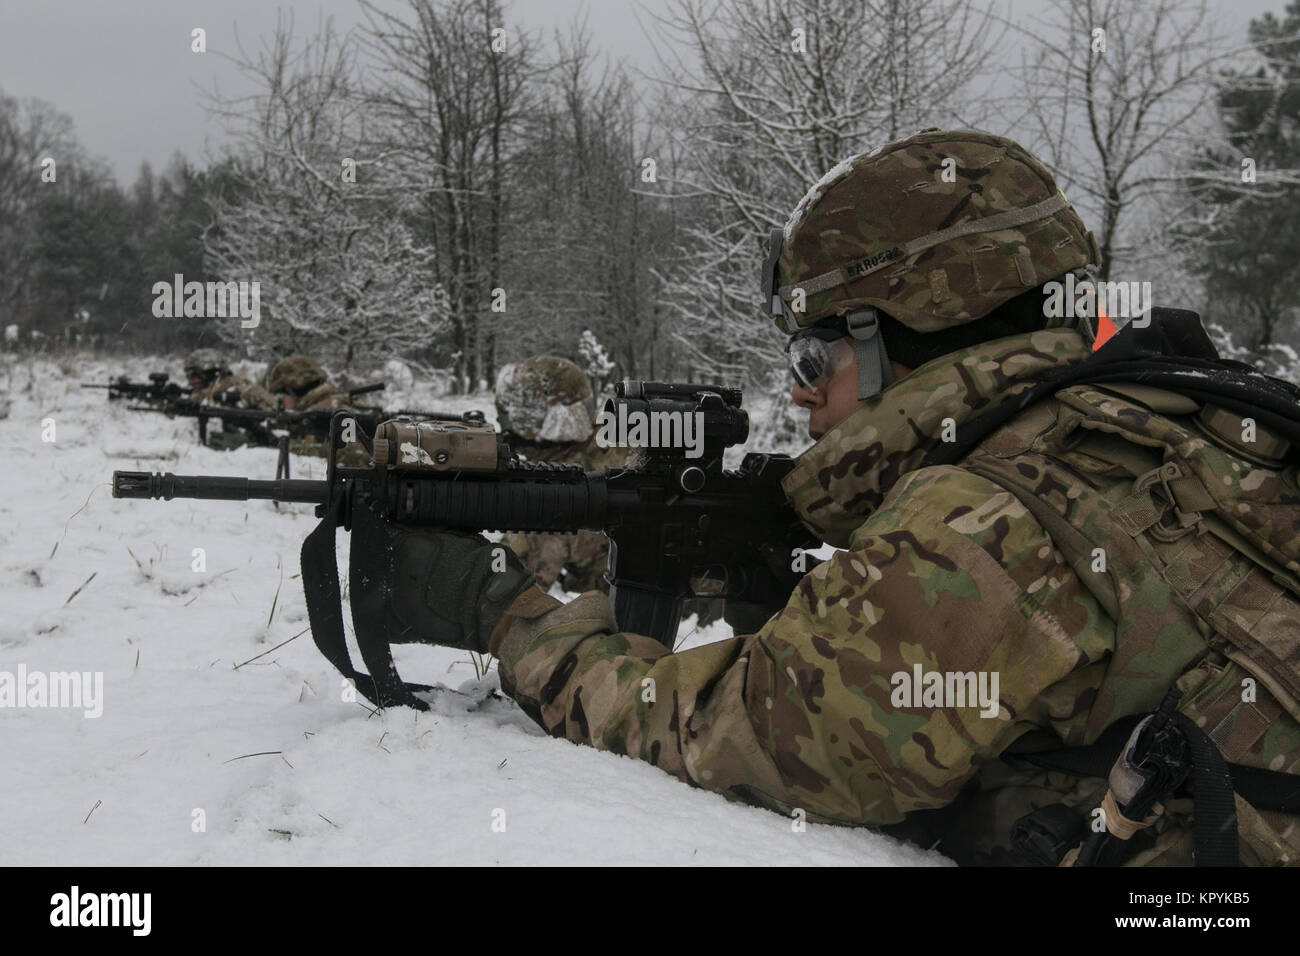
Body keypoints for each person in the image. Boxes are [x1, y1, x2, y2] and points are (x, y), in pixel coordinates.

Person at [363, 129, 1300, 865]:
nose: (802, 390)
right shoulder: (1188, 420)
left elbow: (740, 741)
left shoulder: (993, 519)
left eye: (815, 355)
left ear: (910, 329)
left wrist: (503, 618)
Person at [495, 355, 626, 594]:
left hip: (662, 583)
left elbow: (497, 590)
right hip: (620, 574)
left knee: (541, 515)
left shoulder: (581, 464)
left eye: (529, 412)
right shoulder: (602, 434)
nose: (519, 421)